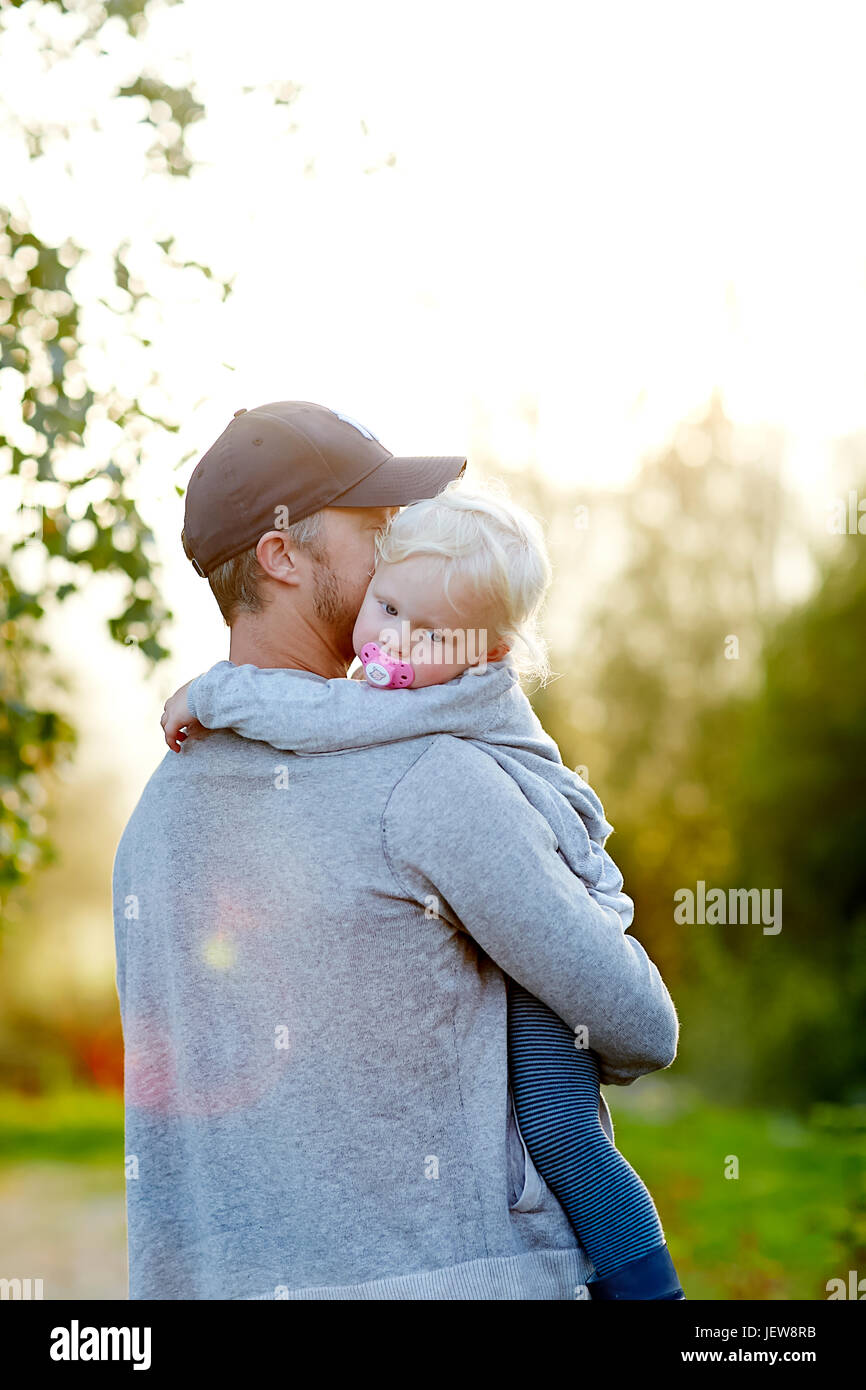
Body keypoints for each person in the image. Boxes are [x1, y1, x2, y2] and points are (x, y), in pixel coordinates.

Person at [112, 400, 679, 1299]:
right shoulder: (428, 783)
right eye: (374, 526)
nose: (400, 545)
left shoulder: (152, 819)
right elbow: (641, 1024)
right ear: (282, 554)